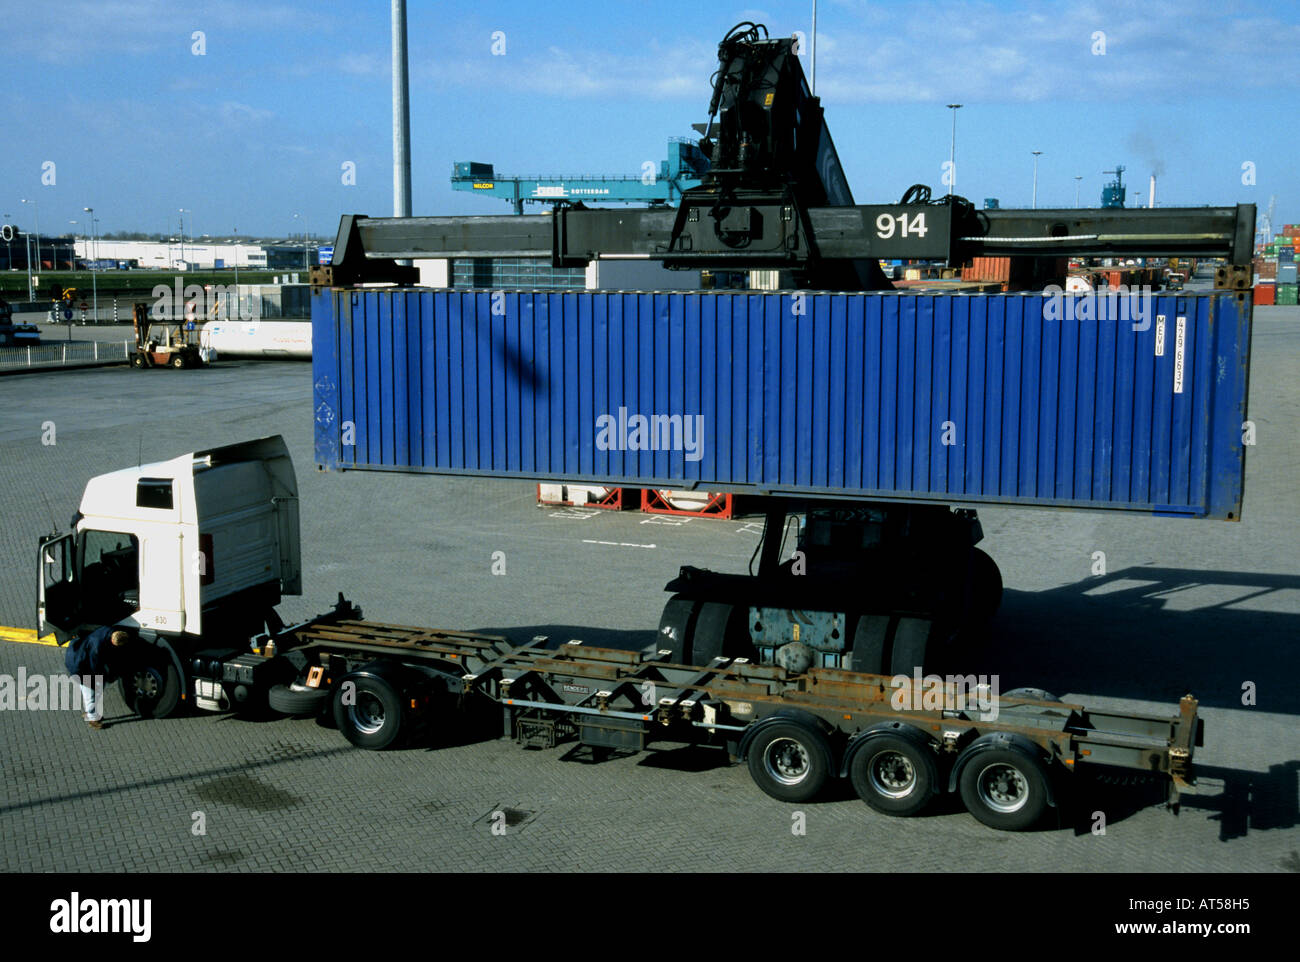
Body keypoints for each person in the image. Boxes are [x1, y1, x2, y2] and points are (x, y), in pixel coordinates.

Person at [63, 626, 129, 729]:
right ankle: (93, 719)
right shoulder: (96, 646)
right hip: (80, 669)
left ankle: (91, 713)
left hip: (79, 659)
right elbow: (95, 667)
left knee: (94, 691)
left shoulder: (108, 631)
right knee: (91, 692)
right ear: (112, 640)